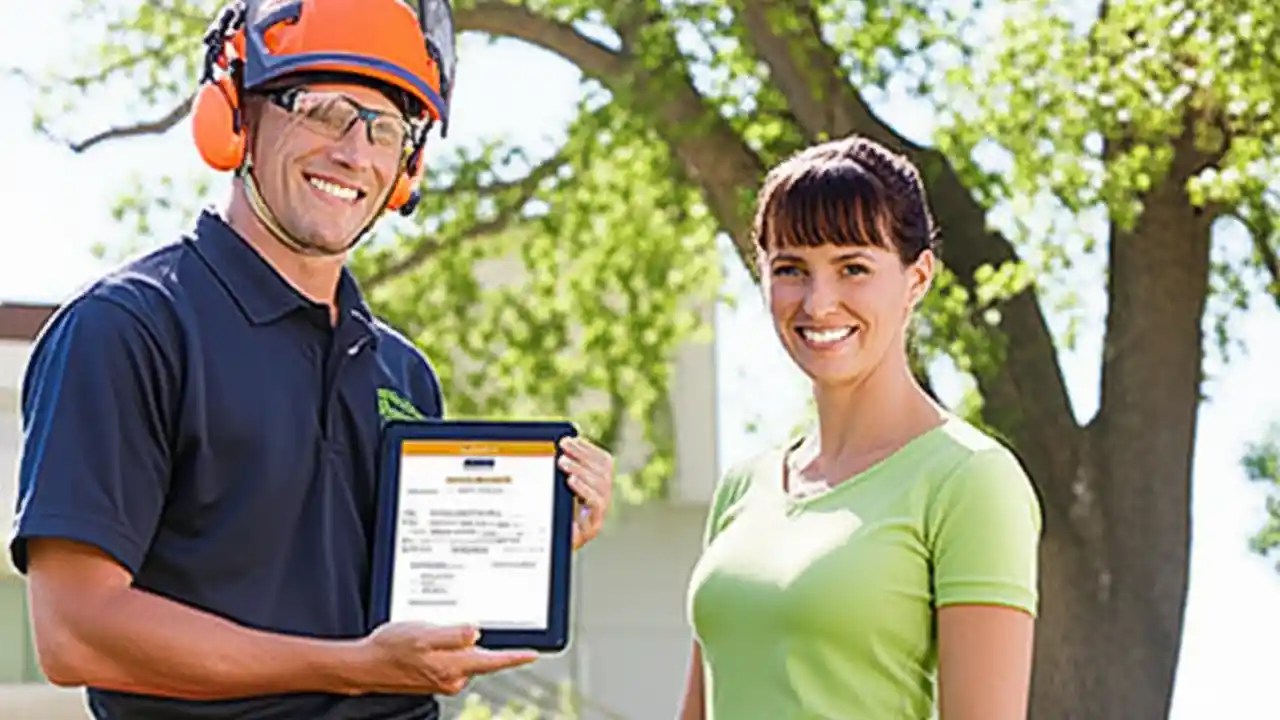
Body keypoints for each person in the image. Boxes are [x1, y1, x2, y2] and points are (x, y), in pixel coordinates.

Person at [9, 1, 615, 718]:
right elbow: (77, 633)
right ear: (237, 117)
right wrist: (352, 669)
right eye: (322, 110)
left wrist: (525, 547)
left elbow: (401, 633)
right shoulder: (128, 329)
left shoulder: (401, 372)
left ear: (407, 166)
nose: (353, 153)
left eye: (384, 128)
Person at [679, 135, 1042, 720]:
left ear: (917, 277)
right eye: (791, 269)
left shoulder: (970, 480)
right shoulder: (743, 488)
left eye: (853, 268)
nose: (819, 303)